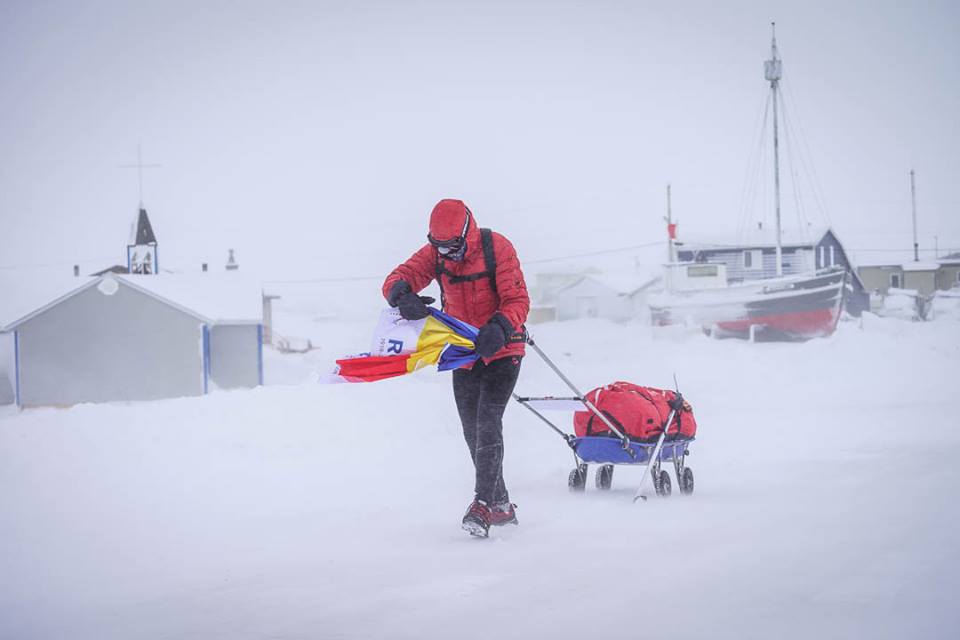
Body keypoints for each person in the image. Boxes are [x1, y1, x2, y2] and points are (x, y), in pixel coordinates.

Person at [382, 199, 530, 537]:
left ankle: (482, 505)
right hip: (463, 351)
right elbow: (398, 276)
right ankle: (502, 505)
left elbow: (519, 300)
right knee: (471, 429)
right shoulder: (436, 253)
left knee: (488, 420)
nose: (446, 254)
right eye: (439, 247)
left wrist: (500, 327)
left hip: (503, 347)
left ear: (467, 233)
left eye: (452, 247)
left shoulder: (497, 248)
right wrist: (402, 295)